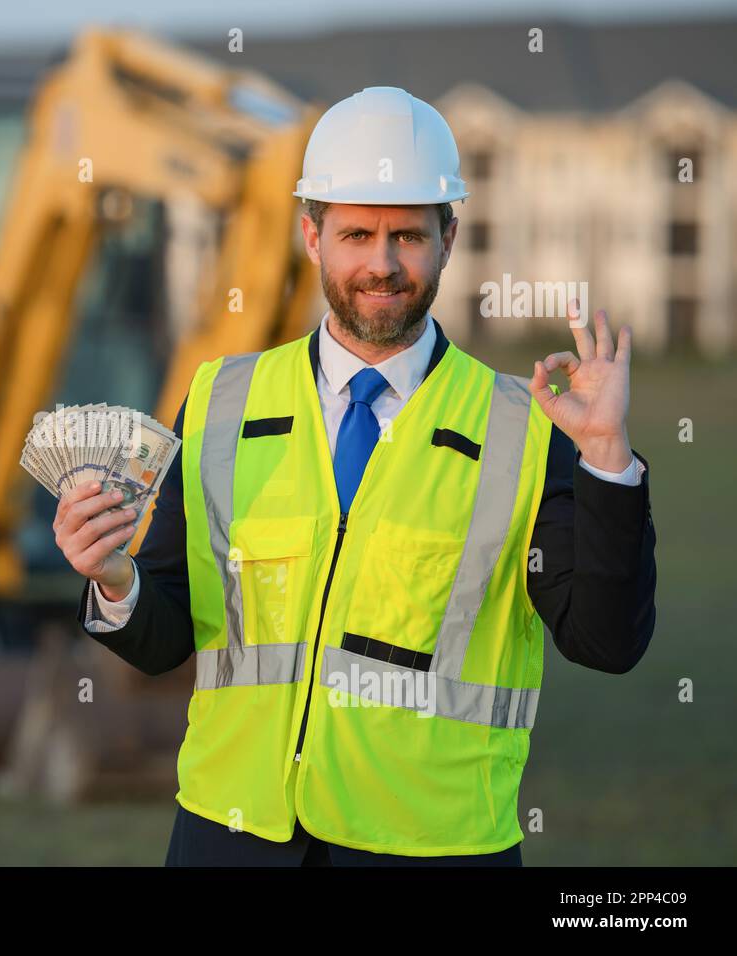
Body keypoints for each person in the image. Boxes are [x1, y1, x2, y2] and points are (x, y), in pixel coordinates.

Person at [52, 87, 656, 866]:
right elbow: (171, 633)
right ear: (312, 234)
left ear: (449, 237)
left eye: (407, 235)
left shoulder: (524, 428)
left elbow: (605, 642)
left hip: (431, 849)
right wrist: (114, 581)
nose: (382, 263)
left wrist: (607, 456)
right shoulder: (219, 400)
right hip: (229, 837)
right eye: (357, 234)